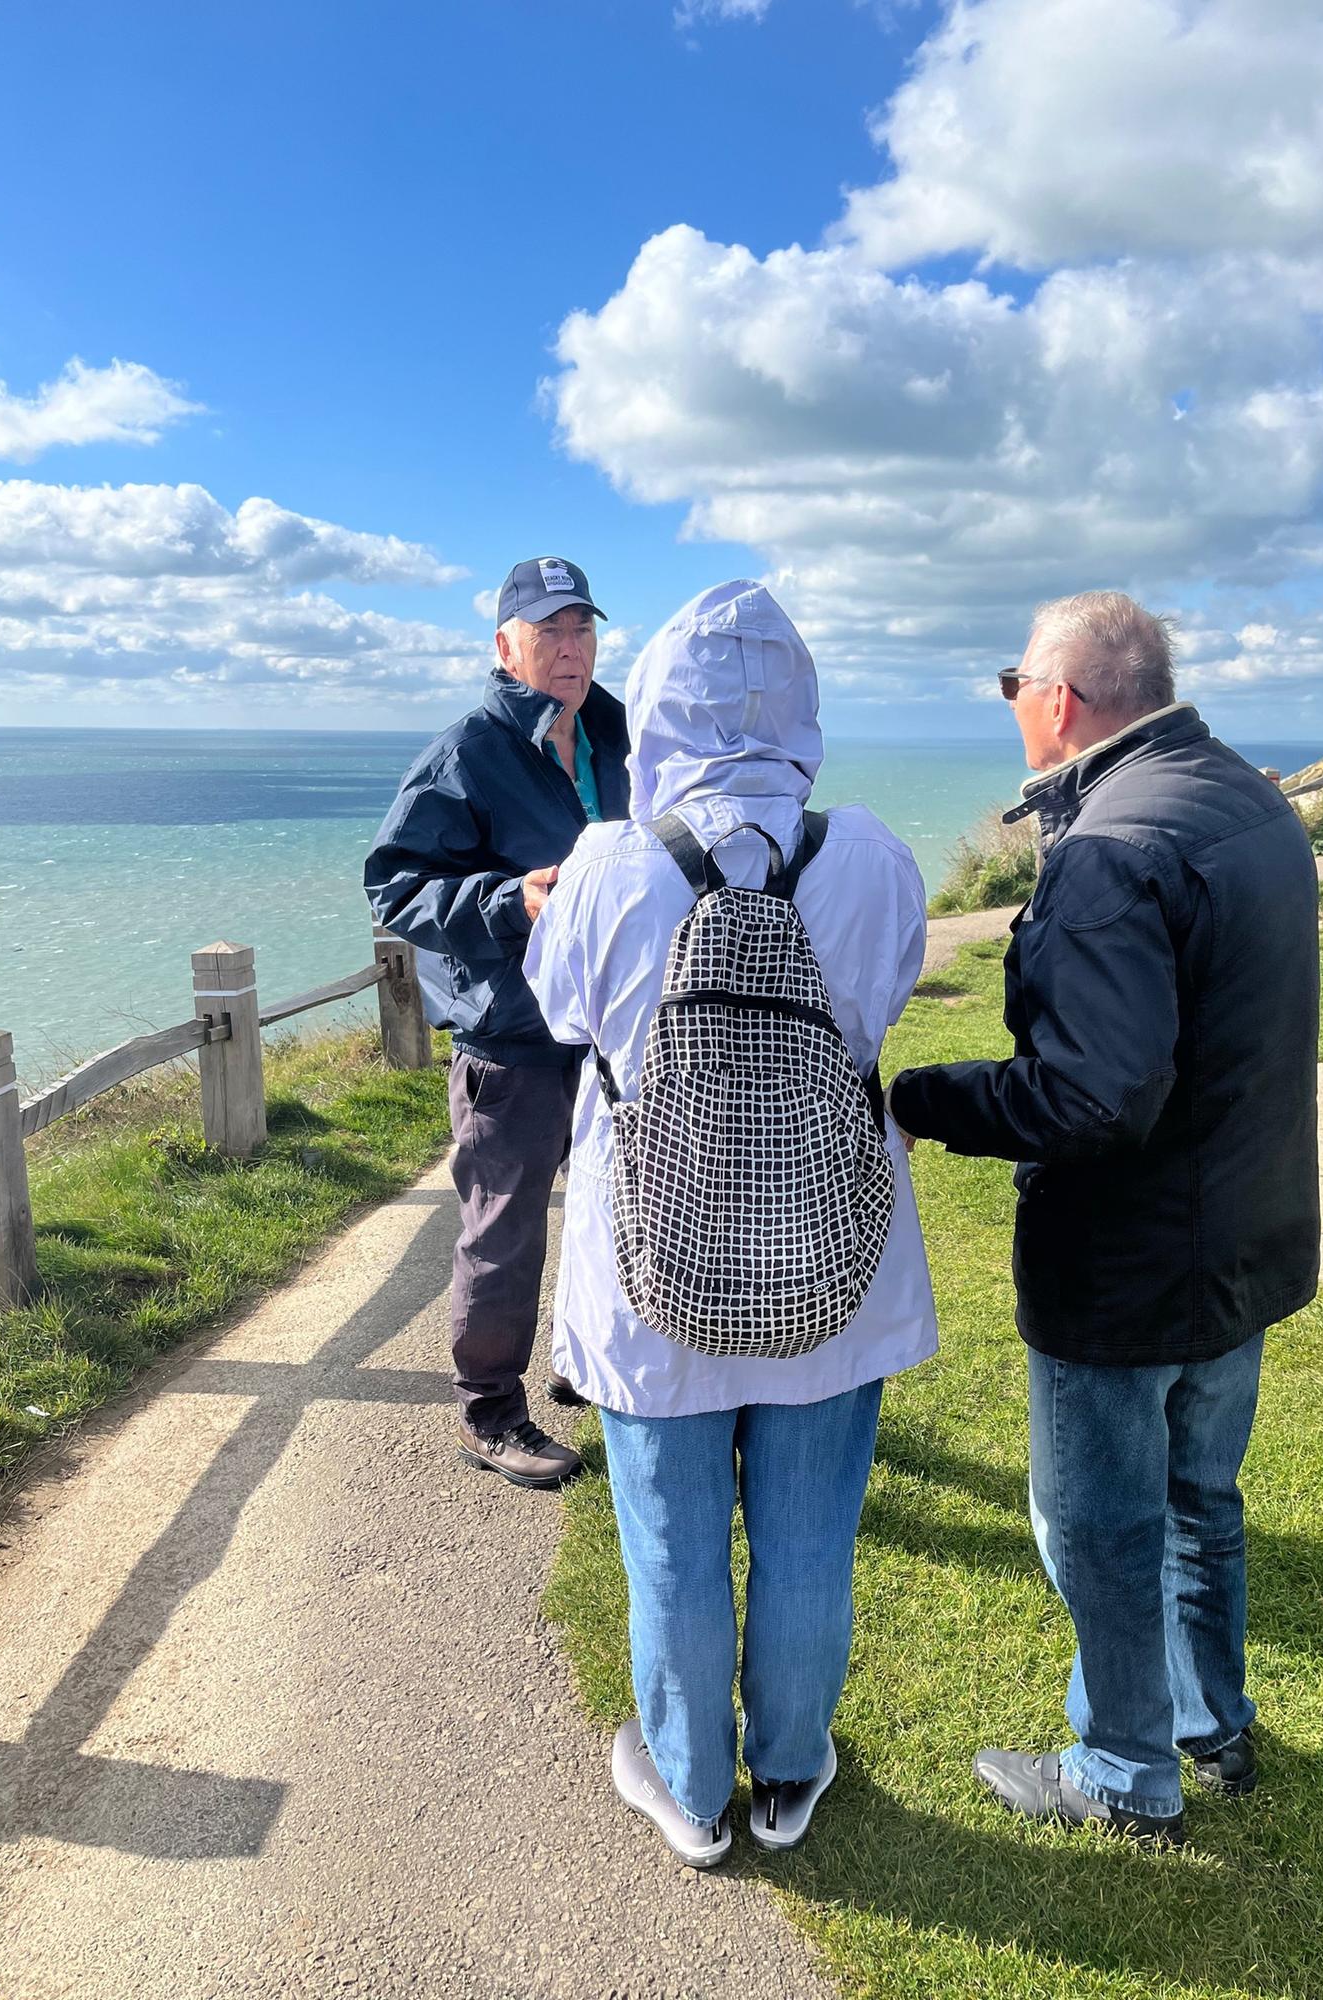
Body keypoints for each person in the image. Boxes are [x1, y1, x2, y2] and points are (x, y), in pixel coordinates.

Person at [889, 591, 1320, 1847]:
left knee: (1098, 1525)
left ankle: (1125, 1767)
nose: (1011, 705)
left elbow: (1091, 1094)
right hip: (1243, 1235)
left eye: (1011, 683)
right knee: (1198, 1500)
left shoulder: (1107, 849)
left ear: (1060, 699)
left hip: (1130, 1263)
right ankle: (1208, 1719)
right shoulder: (1247, 799)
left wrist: (925, 1097)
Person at [524, 580, 938, 1867]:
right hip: (829, 1248)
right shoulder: (870, 855)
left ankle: (693, 1784)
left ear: (659, 707)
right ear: (801, 707)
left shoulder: (607, 863)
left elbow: (562, 1016)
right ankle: (791, 1769)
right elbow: (884, 999)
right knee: (809, 1541)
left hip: (657, 1252)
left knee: (673, 1546)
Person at [365, 557, 630, 1489]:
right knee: (504, 1233)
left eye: (583, 628)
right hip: (511, 1037)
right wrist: (510, 900)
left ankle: (582, 1360)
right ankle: (489, 1413)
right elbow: (395, 888)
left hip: (607, 1028)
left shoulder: (616, 732)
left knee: (610, 1203)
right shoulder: (468, 751)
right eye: (549, 630)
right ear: (505, 645)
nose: (571, 647)